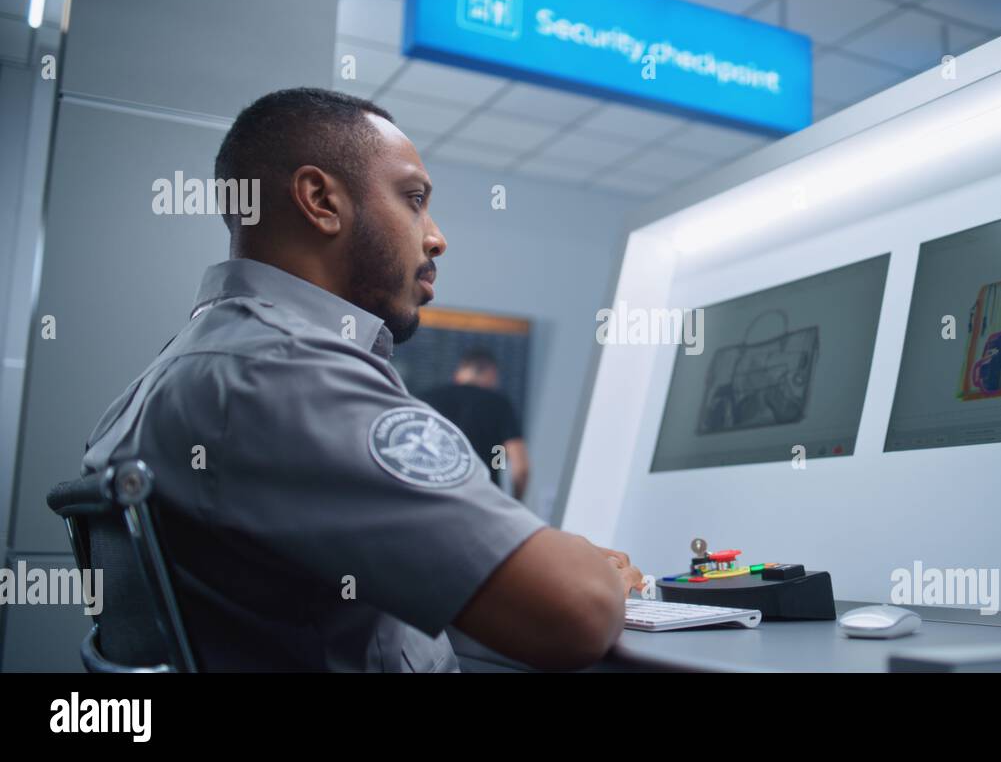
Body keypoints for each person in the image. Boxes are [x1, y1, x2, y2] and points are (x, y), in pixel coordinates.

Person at [80, 88, 642, 672]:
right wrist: (587, 570)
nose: (436, 237)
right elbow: (576, 613)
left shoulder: (167, 377)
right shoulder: (288, 372)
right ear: (321, 200)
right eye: (414, 199)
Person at [423, 348, 529, 498]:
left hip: (433, 494)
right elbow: (520, 469)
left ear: (460, 371)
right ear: (492, 373)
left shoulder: (428, 399)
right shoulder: (498, 404)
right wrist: (516, 502)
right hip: (483, 499)